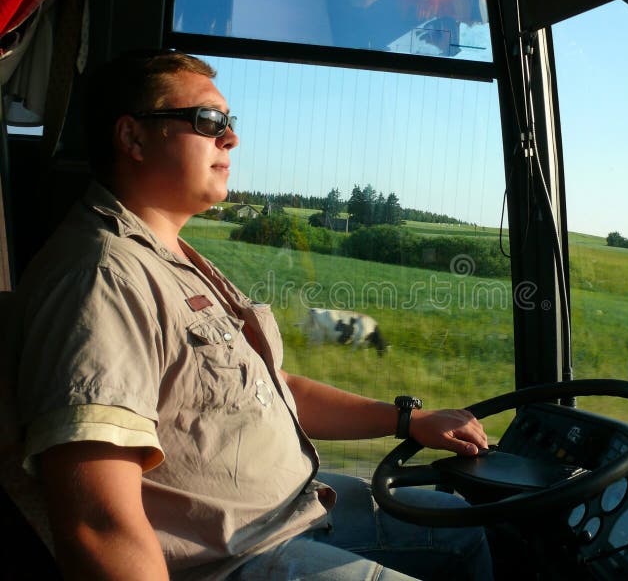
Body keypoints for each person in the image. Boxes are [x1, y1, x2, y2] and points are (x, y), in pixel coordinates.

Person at [8, 49, 493, 580]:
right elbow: (99, 526)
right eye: (209, 121)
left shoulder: (171, 258)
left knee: (470, 526)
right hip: (237, 559)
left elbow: (270, 388)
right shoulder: (103, 280)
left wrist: (407, 420)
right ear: (133, 138)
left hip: (295, 513)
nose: (231, 138)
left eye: (229, 122)